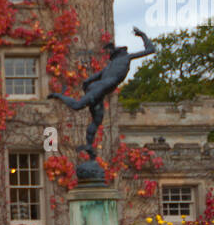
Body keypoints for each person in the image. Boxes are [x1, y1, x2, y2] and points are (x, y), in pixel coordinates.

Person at [48, 27, 156, 159]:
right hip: (100, 88)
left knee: (97, 120)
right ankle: (58, 95)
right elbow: (151, 49)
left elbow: (87, 81)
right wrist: (143, 35)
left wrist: (88, 90)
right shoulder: (126, 59)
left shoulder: (108, 67)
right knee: (77, 105)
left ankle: (88, 145)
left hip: (99, 91)